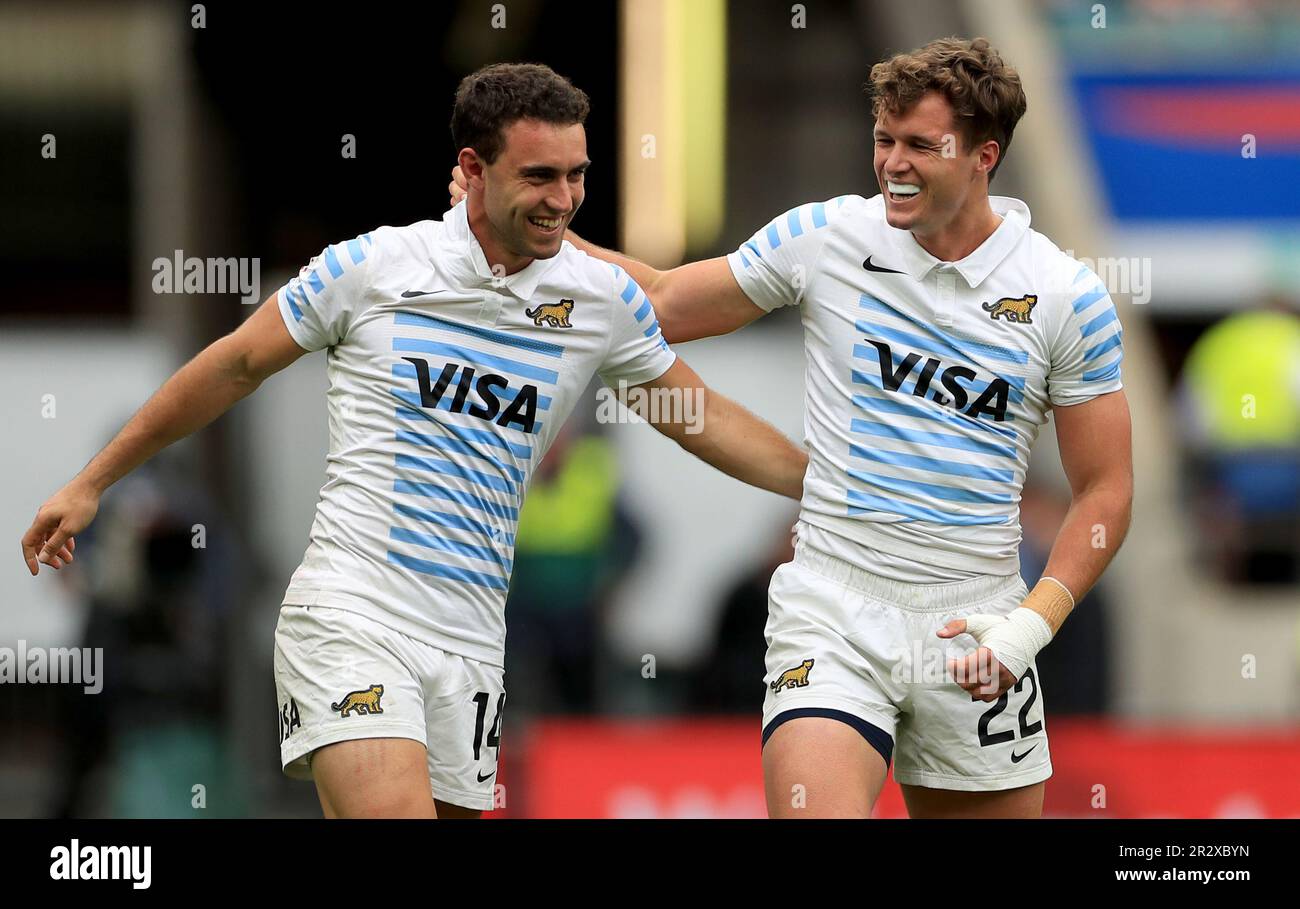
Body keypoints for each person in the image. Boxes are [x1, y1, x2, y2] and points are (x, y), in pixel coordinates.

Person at [21, 62, 807, 819]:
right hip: (354, 615)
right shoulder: (375, 268)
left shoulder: (596, 299)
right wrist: (95, 481)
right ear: (473, 168)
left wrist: (831, 484)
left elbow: (700, 417)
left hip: (471, 639)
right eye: (540, 176)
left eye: (577, 174)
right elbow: (233, 365)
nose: (563, 198)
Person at [451, 37, 1133, 818]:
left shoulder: (1064, 294)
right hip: (834, 603)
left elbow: (1106, 492)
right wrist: (542, 232)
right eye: (884, 140)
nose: (893, 164)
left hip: (977, 618)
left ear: (984, 154)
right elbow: (669, 301)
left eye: (920, 145)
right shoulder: (829, 236)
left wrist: (1029, 625)